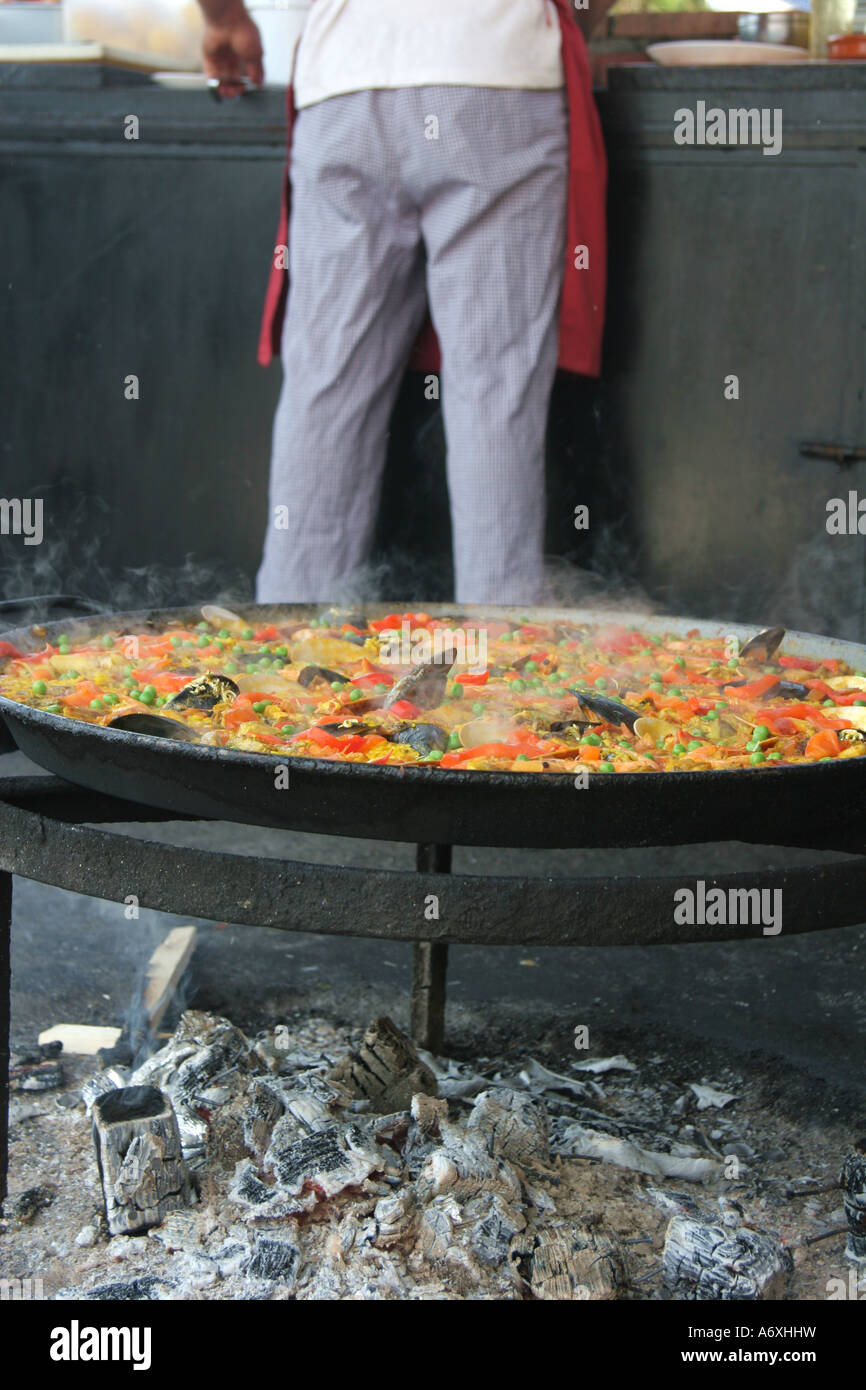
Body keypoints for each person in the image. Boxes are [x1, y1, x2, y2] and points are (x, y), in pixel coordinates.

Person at [197, 0, 612, 605]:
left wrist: (224, 19)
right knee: (494, 396)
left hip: (345, 80)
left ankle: (287, 655)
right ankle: (497, 670)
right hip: (494, 74)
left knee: (326, 390)